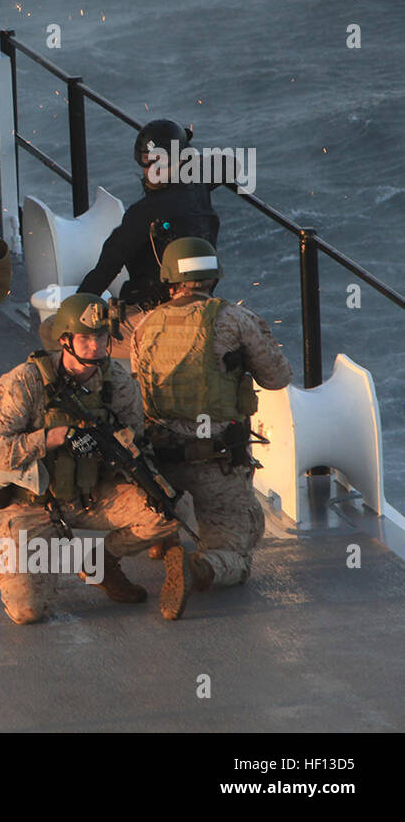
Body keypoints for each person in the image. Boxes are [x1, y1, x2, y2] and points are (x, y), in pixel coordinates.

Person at [0, 293, 196, 623]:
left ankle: (99, 563)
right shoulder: (25, 382)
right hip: (33, 504)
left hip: (92, 495)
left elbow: (137, 442)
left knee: (170, 508)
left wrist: (146, 478)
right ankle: (5, 557)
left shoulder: (118, 384)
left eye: (101, 337)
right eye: (85, 338)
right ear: (65, 339)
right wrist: (50, 438)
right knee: (27, 611)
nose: (95, 347)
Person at [131, 237, 292, 592]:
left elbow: (139, 391)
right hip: (218, 464)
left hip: (162, 465)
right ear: (213, 278)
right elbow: (278, 377)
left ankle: (164, 540)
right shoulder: (236, 318)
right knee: (238, 552)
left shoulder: (145, 326)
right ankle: (201, 567)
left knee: (168, 508)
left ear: (170, 279)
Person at [77, 119, 219, 358]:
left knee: (54, 331)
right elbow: (225, 167)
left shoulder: (144, 213)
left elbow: (106, 268)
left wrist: (74, 314)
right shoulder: (199, 187)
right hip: (202, 310)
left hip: (154, 320)